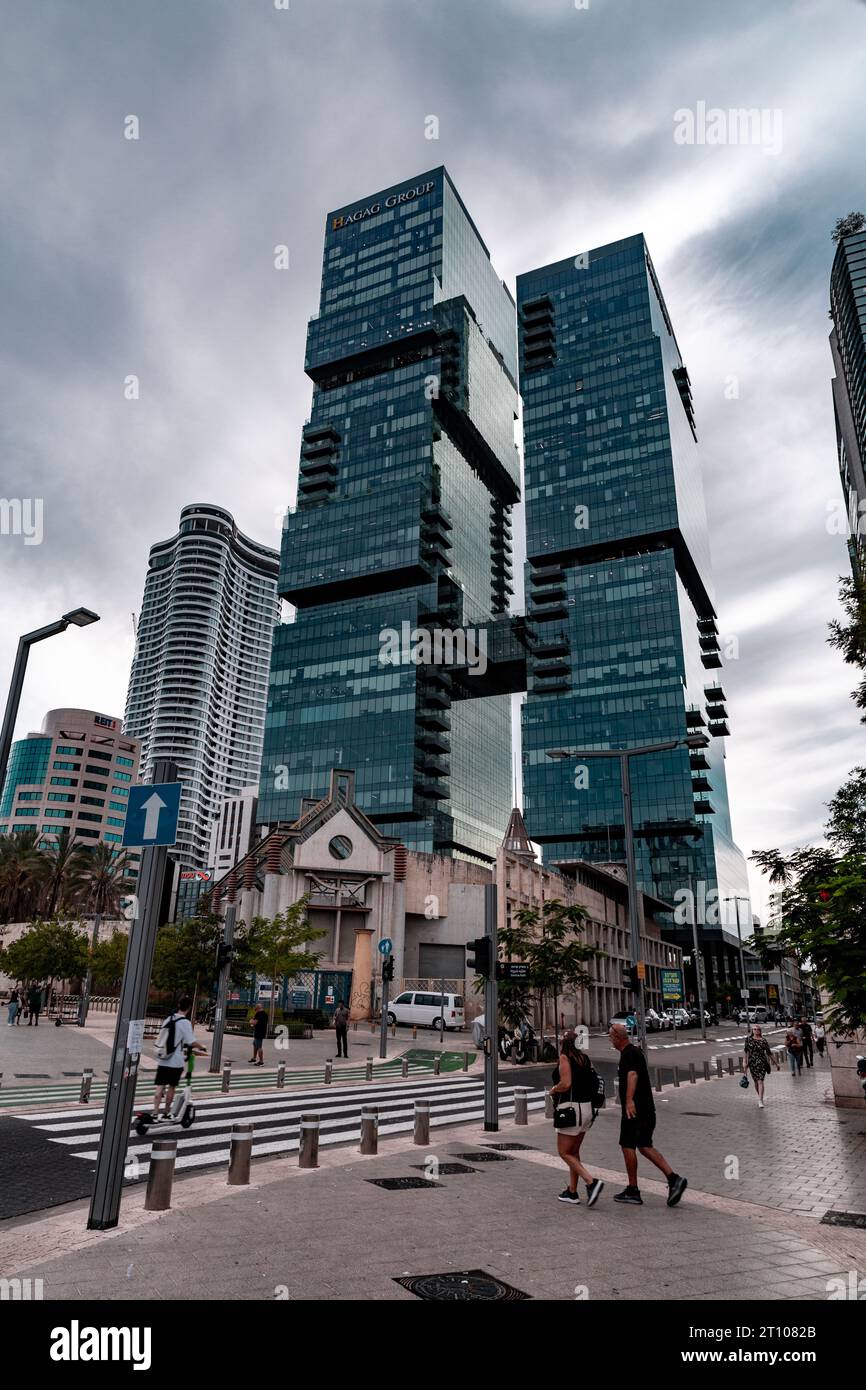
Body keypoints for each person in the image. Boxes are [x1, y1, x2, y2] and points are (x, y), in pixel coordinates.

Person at [608, 1022, 687, 1207]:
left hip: (635, 1110)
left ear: (618, 1037)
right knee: (644, 1145)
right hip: (646, 1110)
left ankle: (633, 1190)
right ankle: (674, 1179)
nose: (610, 1040)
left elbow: (632, 1075)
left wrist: (628, 1101)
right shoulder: (633, 1052)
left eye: (611, 1036)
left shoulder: (628, 1053)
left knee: (627, 1145)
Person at [547, 1031, 605, 1207]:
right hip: (587, 1109)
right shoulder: (584, 1059)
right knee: (574, 1152)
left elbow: (566, 1083)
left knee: (564, 1152)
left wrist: (553, 1090)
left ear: (564, 1043)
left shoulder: (565, 1058)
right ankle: (572, 1192)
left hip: (571, 1110)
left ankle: (591, 1182)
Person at [152, 995, 205, 1119]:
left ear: (178, 1005)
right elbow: (191, 1042)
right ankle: (166, 1113)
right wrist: (201, 1047)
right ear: (189, 1008)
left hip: (163, 1059)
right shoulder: (185, 1023)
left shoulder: (168, 1019)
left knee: (160, 1086)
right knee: (171, 1087)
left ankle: (154, 1112)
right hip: (175, 1061)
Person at [743, 1025, 776, 1107]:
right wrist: (745, 1062)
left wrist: (776, 1063)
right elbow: (746, 1051)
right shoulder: (748, 1040)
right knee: (756, 1082)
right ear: (752, 1030)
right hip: (752, 1063)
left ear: (760, 1031)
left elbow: (769, 1053)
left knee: (760, 1080)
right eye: (754, 1029)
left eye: (758, 1029)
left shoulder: (763, 1040)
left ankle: (760, 1100)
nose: (756, 1031)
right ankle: (760, 1097)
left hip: (762, 1062)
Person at [250, 1001, 268, 1066]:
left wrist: (251, 1021)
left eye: (256, 1009)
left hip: (258, 1032)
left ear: (257, 1008)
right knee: (255, 1044)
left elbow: (254, 1023)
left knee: (259, 1047)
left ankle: (261, 1061)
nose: (255, 1011)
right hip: (263, 1031)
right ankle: (254, 1058)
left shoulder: (258, 1014)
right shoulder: (265, 1014)